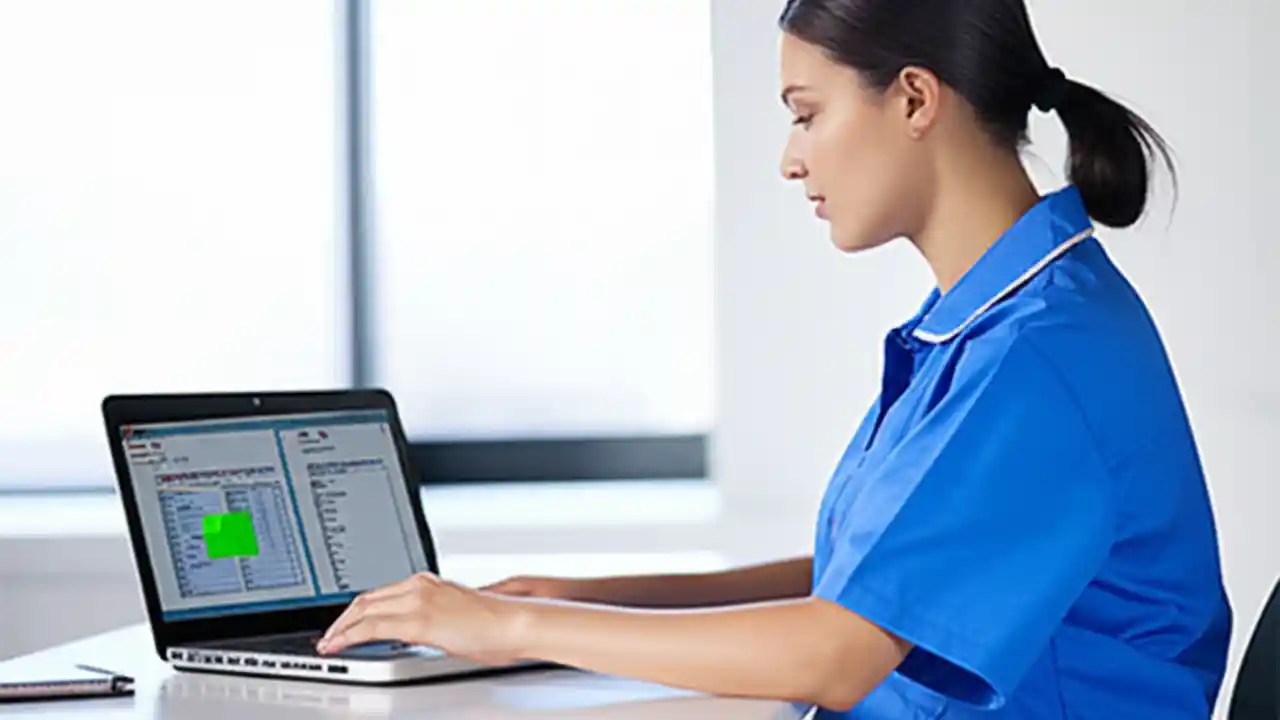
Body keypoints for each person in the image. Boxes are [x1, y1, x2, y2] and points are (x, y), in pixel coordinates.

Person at [317, 0, 1233, 716]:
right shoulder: (992, 320)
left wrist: (514, 622)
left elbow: (838, 652)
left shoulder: (1036, 353)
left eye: (807, 113)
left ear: (915, 98)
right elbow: (861, 582)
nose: (792, 161)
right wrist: (589, 602)